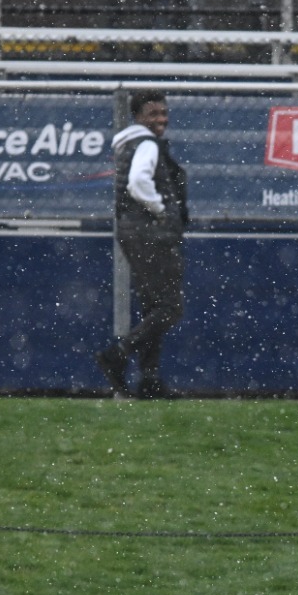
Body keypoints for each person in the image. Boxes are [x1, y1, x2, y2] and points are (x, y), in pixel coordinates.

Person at [99, 92, 189, 399]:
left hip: (132, 230)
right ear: (138, 117)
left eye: (164, 113)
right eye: (153, 114)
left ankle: (150, 380)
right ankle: (118, 353)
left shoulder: (128, 143)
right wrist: (161, 210)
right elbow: (138, 183)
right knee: (170, 308)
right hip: (149, 231)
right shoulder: (147, 144)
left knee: (153, 308)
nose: (161, 119)